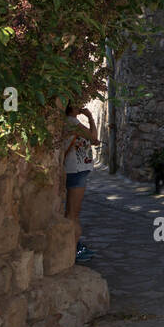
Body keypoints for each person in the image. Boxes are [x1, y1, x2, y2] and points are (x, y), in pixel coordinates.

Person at [62, 103, 99, 263]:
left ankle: (74, 246)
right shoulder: (72, 122)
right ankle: (73, 249)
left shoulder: (71, 122)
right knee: (73, 213)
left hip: (77, 169)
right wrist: (90, 117)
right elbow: (94, 138)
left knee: (72, 211)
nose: (82, 106)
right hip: (76, 169)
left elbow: (93, 140)